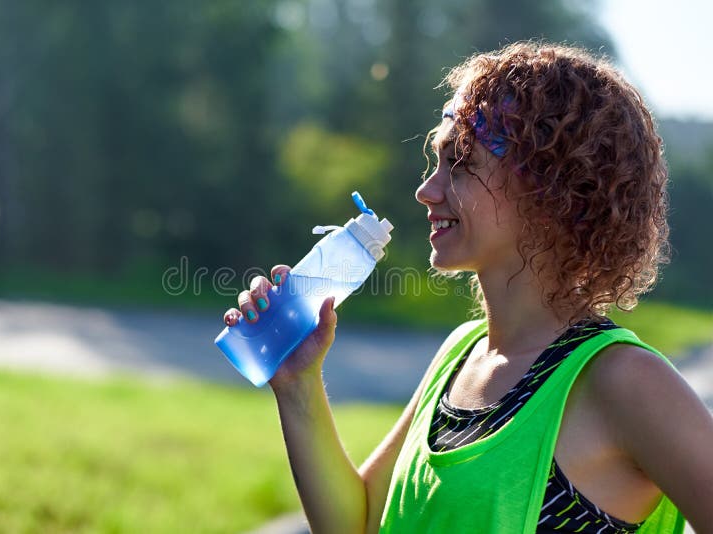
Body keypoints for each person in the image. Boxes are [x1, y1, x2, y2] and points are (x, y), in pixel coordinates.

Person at [222, 42, 713, 533]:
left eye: (459, 161)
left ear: (550, 186)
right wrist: (298, 384)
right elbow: (361, 525)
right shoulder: (458, 354)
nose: (426, 190)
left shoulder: (625, 381)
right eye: (435, 161)